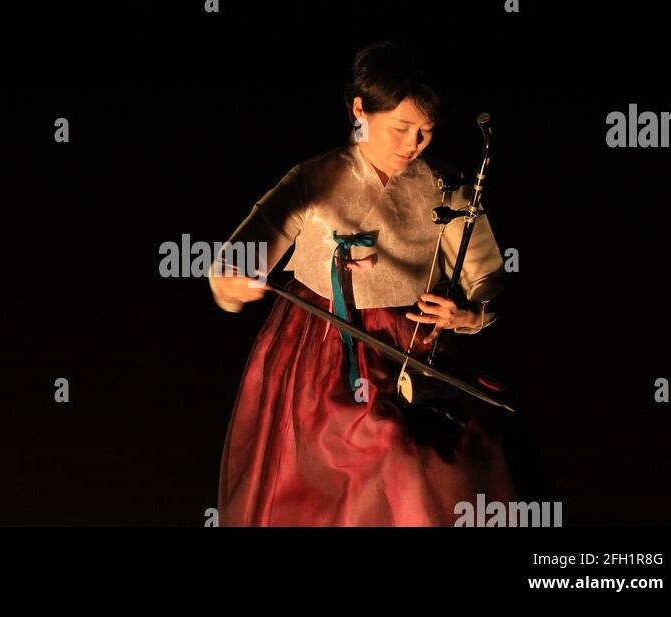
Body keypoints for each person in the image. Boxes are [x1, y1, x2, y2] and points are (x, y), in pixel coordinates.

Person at [210, 41, 516, 526]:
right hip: (321, 350)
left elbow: (489, 276)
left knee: (431, 462)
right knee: (372, 459)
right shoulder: (316, 179)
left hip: (413, 347)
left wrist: (467, 314)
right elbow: (246, 248)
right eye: (401, 127)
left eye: (426, 132)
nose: (413, 145)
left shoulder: (446, 185)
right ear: (360, 109)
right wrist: (233, 280)